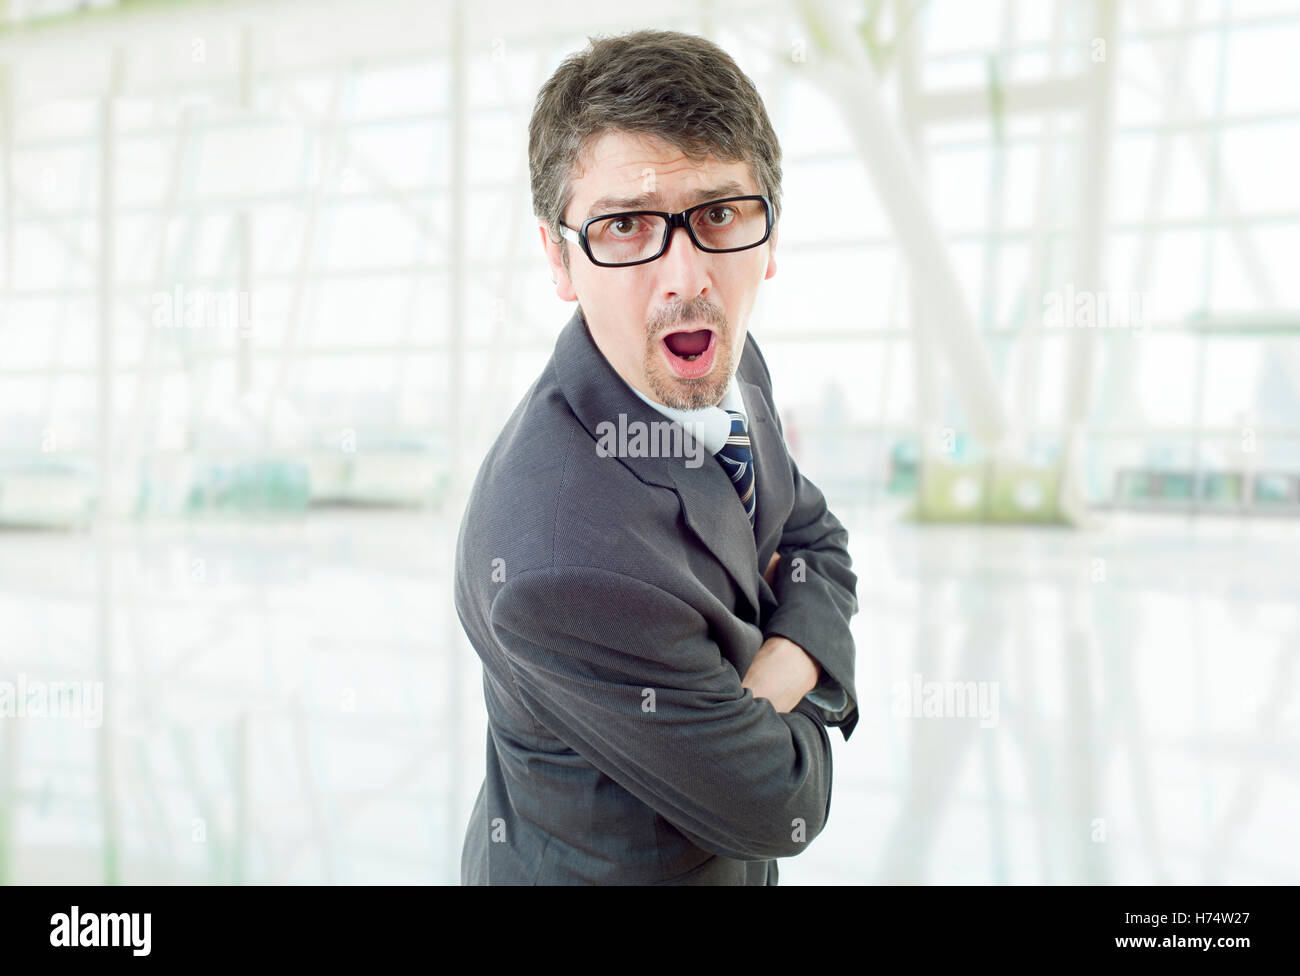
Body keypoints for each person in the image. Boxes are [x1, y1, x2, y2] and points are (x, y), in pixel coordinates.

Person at [455, 28, 858, 885]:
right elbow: (780, 799)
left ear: (770, 236)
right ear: (559, 259)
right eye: (627, 225)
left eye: (717, 216)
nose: (685, 279)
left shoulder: (723, 360)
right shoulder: (559, 555)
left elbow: (818, 542)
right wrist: (795, 658)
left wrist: (757, 689)